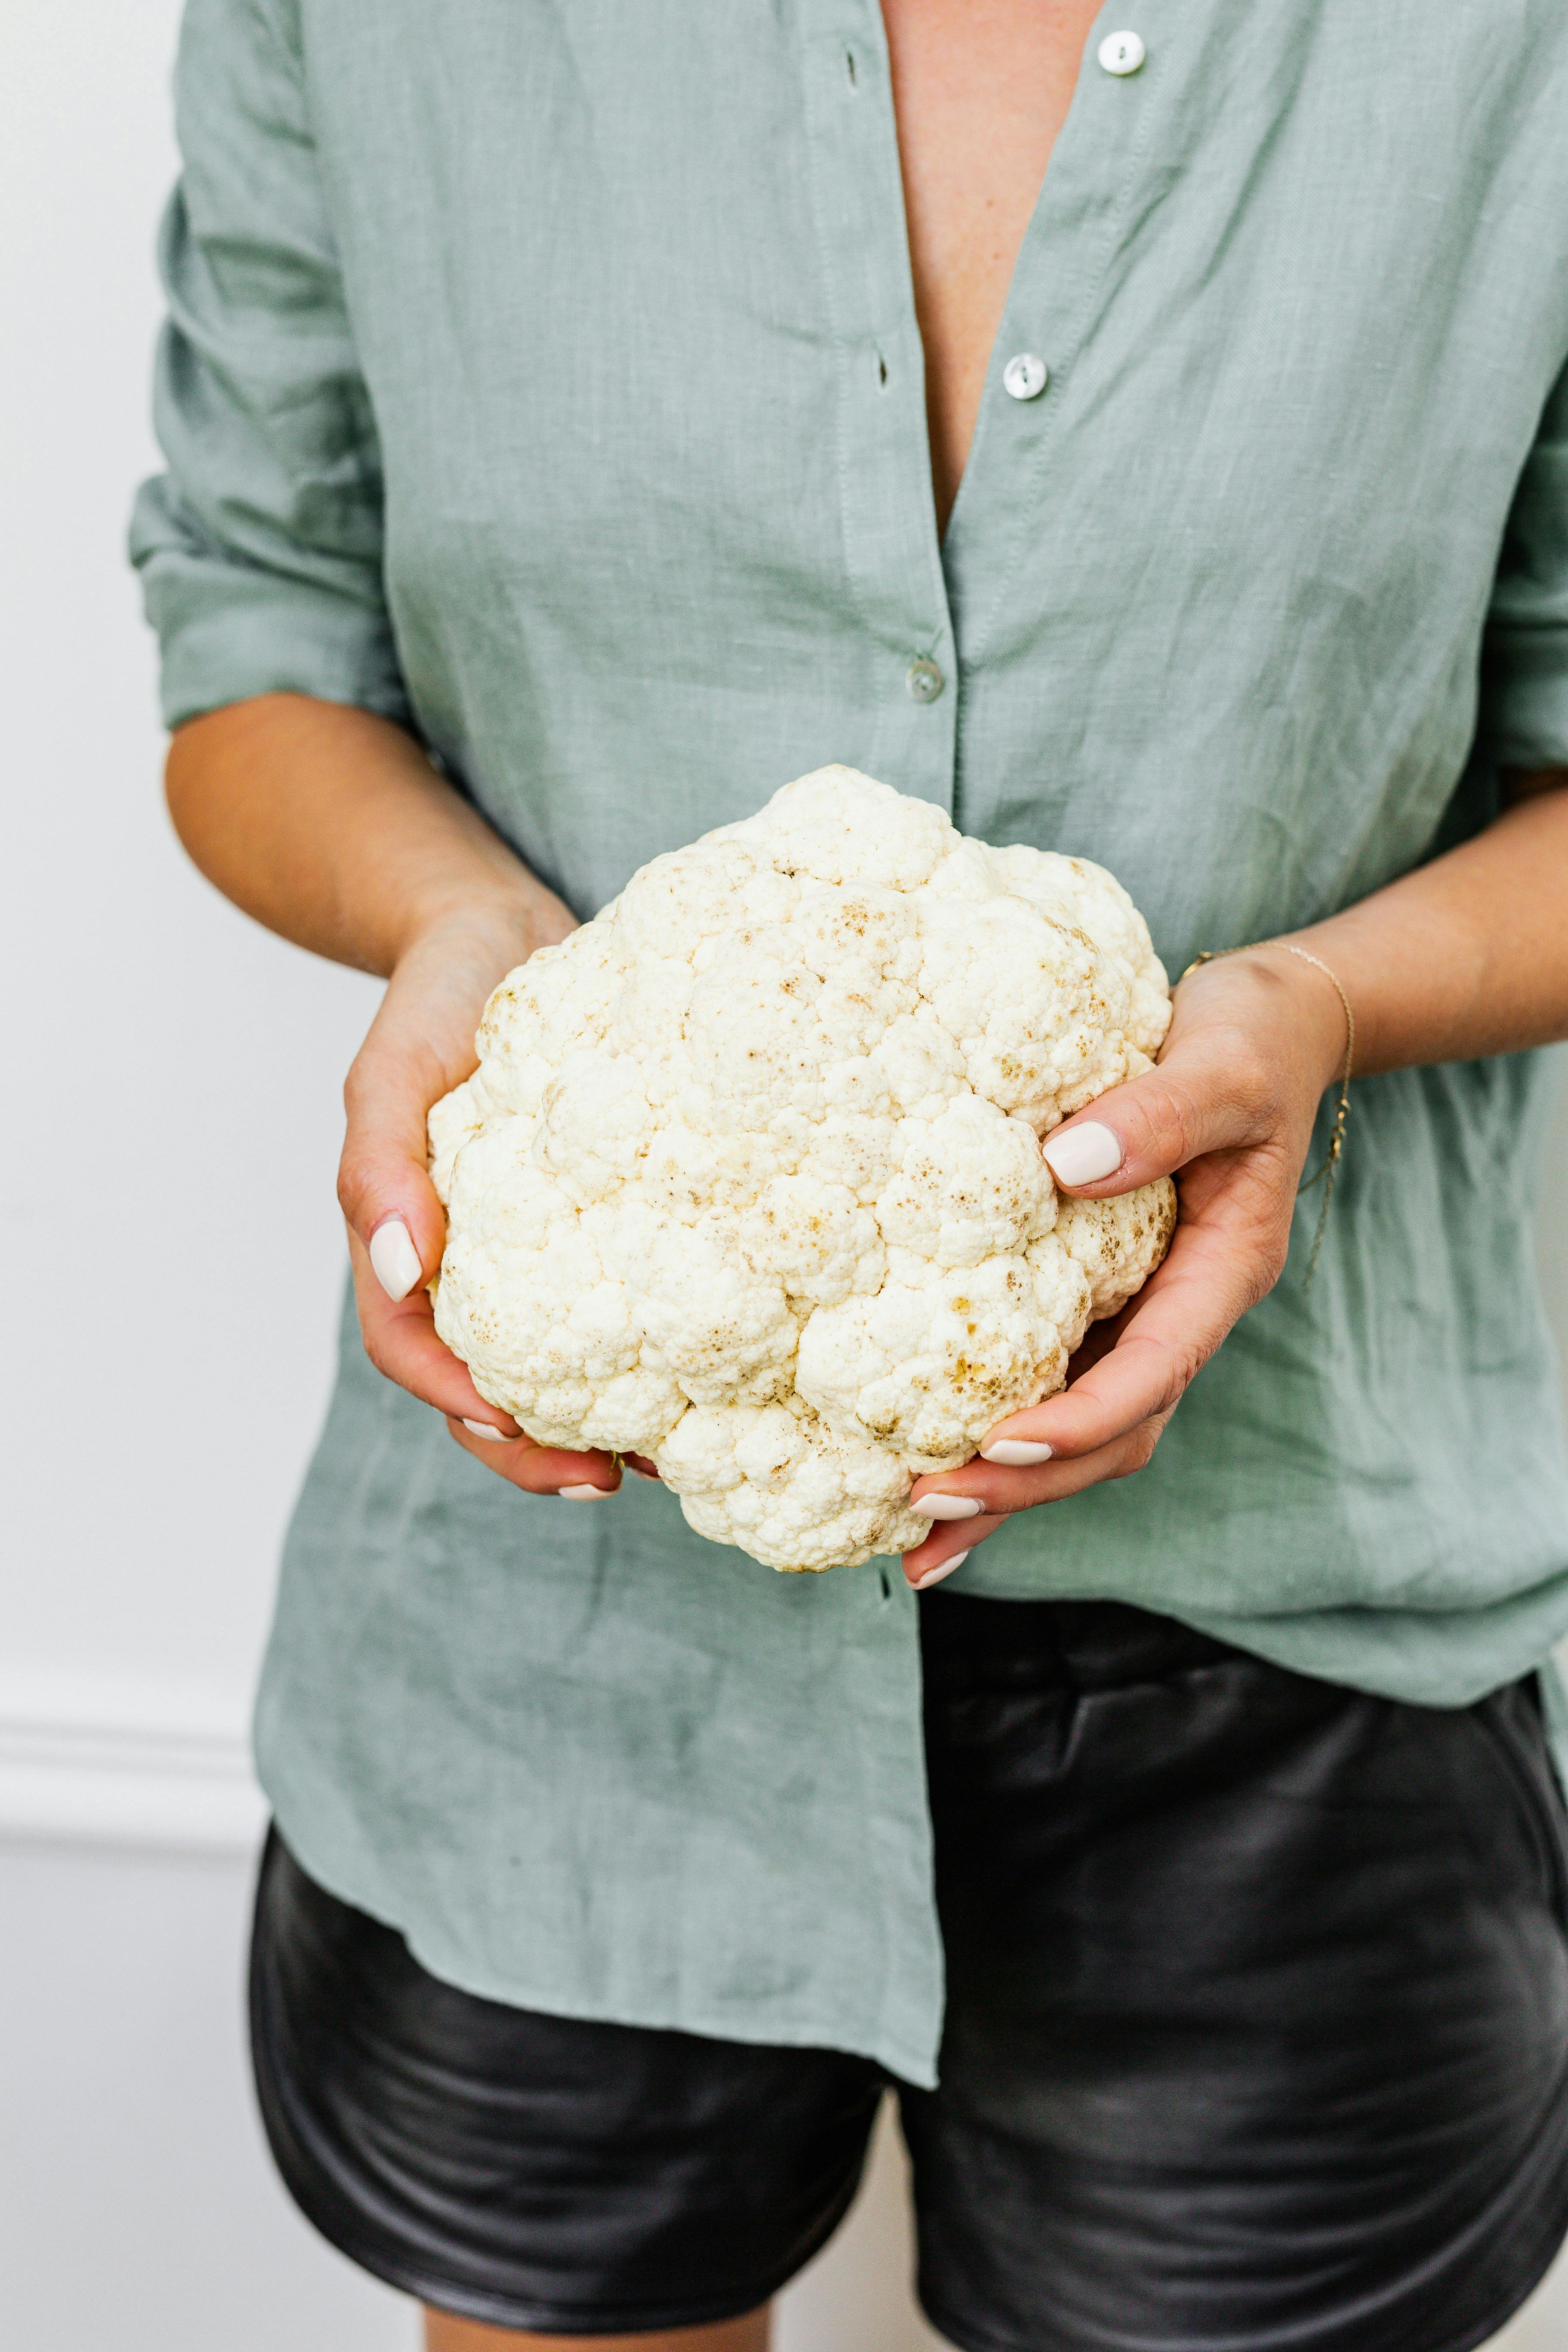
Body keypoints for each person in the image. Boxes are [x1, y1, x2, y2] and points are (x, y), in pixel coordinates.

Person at [132, 3, 1568, 2347]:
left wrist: (1321, 1009)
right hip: (555, 1639)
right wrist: (451, 928)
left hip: (1301, 1624)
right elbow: (252, 633)